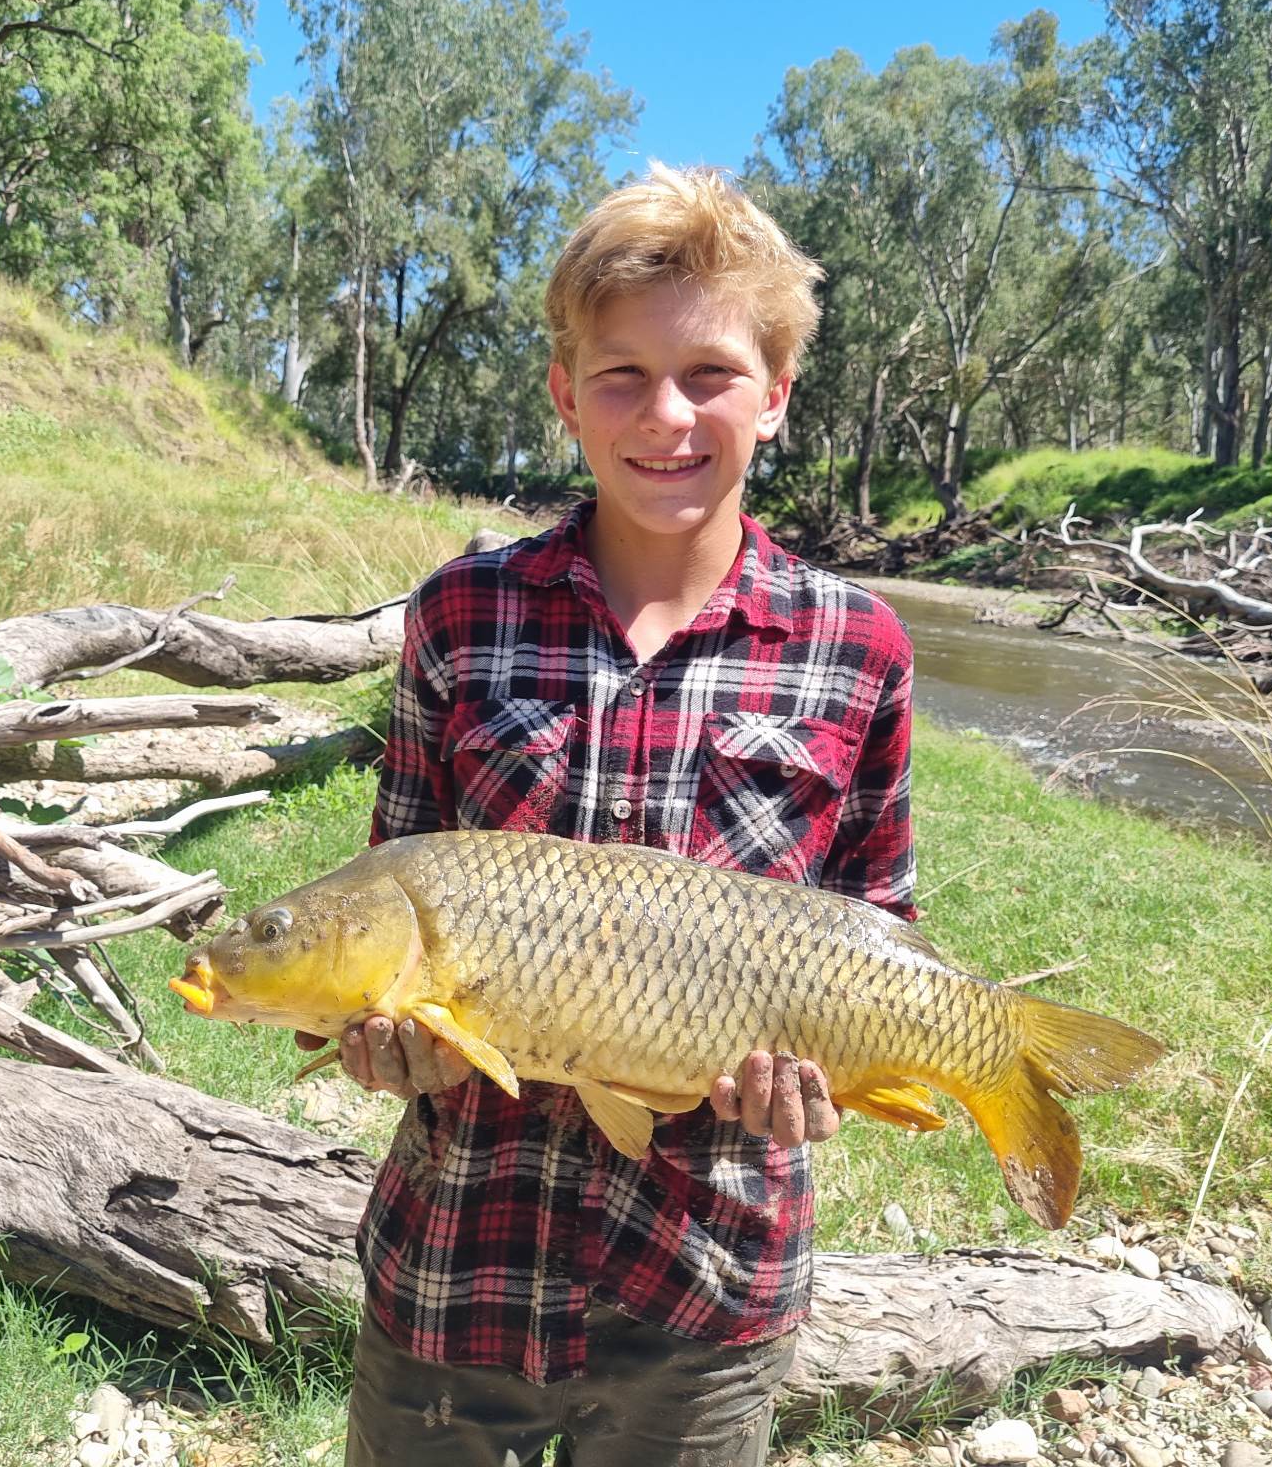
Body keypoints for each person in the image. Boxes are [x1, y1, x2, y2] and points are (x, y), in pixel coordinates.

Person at [302, 163, 918, 1467]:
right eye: (623, 375)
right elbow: (387, 897)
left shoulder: (859, 648)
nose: (667, 415)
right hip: (457, 1265)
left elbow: (879, 934)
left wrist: (828, 1086)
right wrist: (379, 1039)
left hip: (709, 1290)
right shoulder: (460, 615)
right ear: (564, 392)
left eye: (710, 374)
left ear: (777, 395)